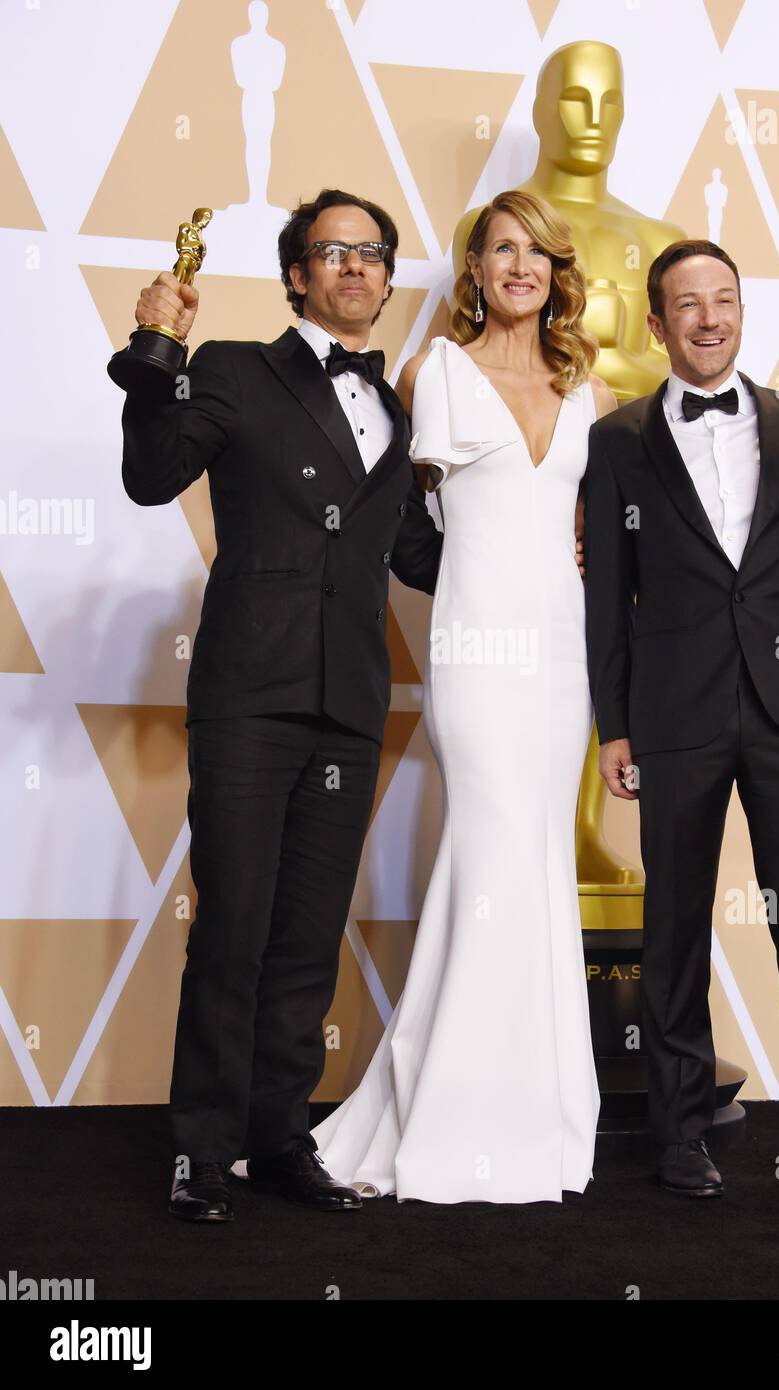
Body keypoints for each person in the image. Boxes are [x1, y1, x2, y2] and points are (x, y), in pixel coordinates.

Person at [112, 188, 443, 1221]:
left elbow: (413, 554)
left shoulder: (398, 411)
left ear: (388, 278)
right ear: (297, 272)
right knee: (234, 929)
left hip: (349, 701)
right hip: (248, 696)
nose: (354, 266)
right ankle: (200, 1152)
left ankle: (279, 1137)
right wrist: (156, 346)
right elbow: (149, 472)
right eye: (331, 251)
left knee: (307, 933)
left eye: (372, 252)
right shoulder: (236, 371)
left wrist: (527, 527)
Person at [296, 190, 616, 1203]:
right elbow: (400, 525)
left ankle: (540, 1114)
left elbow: (592, 529)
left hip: (560, 658)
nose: (519, 265)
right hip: (476, 652)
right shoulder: (433, 371)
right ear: (472, 270)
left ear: (554, 271)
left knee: (531, 864)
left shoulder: (588, 387)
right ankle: (455, 1112)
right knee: (488, 849)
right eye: (499, 248)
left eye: (535, 251)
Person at [583, 238, 779, 1203]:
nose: (709, 318)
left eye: (724, 300)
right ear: (658, 323)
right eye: (688, 304)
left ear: (741, 313)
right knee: (675, 930)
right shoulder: (618, 440)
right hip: (674, 714)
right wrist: (613, 726)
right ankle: (681, 1135)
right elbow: (609, 597)